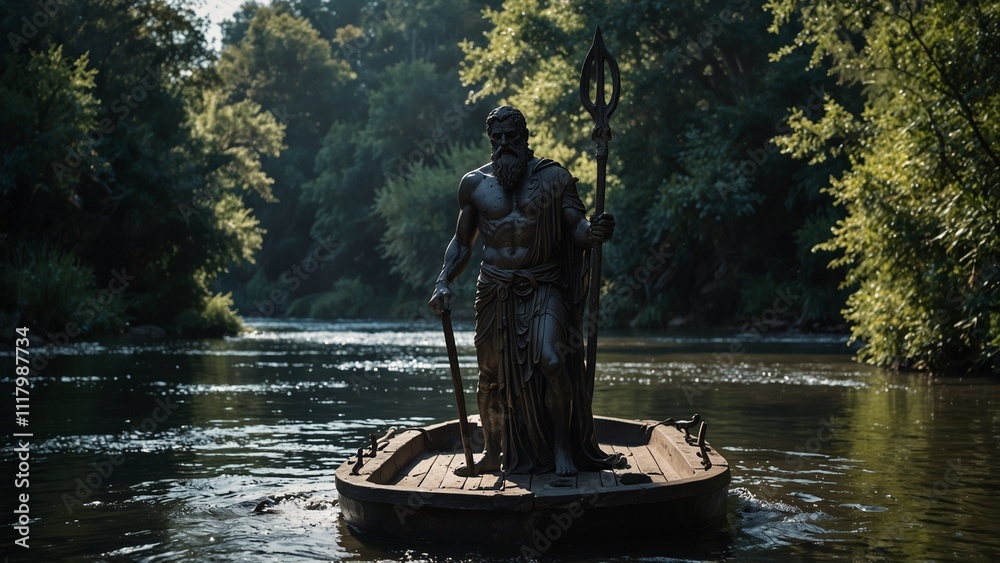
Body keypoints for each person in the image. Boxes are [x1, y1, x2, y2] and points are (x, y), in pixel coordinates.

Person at [428, 106, 620, 477]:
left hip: (543, 284)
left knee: (551, 359)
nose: (503, 144)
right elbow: (462, 243)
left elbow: (576, 227)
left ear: (525, 136)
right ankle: (491, 453)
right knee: (489, 375)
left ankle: (562, 447)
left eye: (511, 137)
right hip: (494, 289)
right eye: (496, 138)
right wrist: (442, 282)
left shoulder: (554, 177)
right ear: (489, 141)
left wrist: (593, 232)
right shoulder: (474, 184)